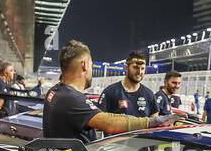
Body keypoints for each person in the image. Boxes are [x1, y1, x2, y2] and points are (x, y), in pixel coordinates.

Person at [42, 40, 173, 142]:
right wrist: (153, 122)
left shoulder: (55, 91)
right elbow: (109, 123)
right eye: (92, 65)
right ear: (85, 65)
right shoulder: (71, 98)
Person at [100, 52, 155, 118]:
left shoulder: (149, 94)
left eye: (142, 68)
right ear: (126, 68)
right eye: (135, 67)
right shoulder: (110, 92)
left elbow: (154, 121)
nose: (139, 72)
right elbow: (100, 120)